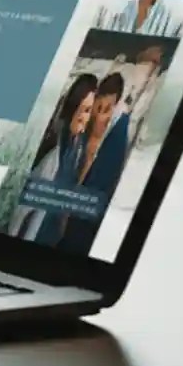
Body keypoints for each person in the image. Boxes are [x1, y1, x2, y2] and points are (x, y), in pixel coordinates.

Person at [12, 74, 98, 239]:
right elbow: (24, 209)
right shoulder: (54, 150)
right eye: (80, 108)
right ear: (72, 107)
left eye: (88, 110)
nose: (83, 116)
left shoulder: (78, 146)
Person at [58, 72, 130, 254]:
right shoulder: (84, 130)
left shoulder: (117, 130)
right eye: (98, 108)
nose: (100, 115)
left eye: (106, 109)